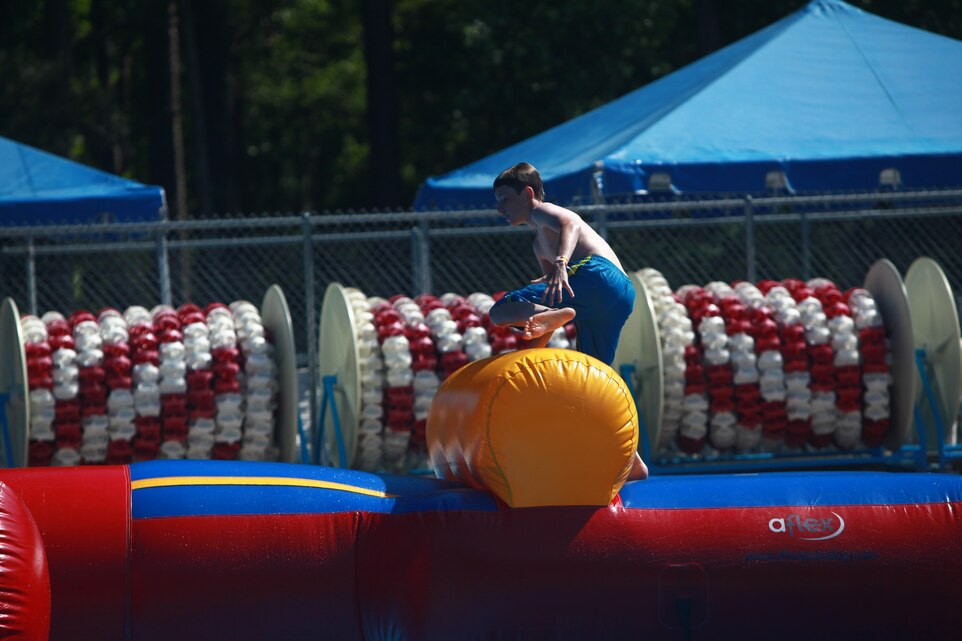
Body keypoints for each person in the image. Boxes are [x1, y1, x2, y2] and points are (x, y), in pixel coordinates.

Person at [488, 162, 648, 481]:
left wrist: (561, 261)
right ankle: (632, 461)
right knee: (592, 382)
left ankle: (550, 318)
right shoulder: (538, 244)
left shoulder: (542, 211)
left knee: (499, 312)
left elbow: (570, 223)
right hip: (617, 295)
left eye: (505, 199)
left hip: (597, 275)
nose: (500, 208)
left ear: (528, 194)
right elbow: (551, 294)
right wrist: (535, 338)